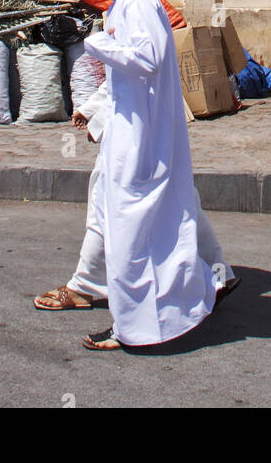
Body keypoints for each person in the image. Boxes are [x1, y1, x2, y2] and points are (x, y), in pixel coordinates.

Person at [74, 0, 223, 352]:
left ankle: (137, 325)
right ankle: (143, 319)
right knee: (138, 232)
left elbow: (148, 58)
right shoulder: (127, 2)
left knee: (130, 234)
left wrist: (98, 44)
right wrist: (96, 114)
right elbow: (128, 76)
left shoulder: (137, 0)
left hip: (142, 142)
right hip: (131, 135)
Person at [33, 77, 237, 315]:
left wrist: (100, 122)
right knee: (178, 200)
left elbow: (135, 76)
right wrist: (92, 108)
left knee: (107, 204)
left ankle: (84, 285)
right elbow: (119, 73)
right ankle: (217, 272)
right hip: (148, 125)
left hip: (135, 129)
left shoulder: (140, 41)